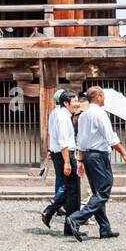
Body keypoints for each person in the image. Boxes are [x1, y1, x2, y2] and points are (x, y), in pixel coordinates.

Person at [66, 86, 126, 241]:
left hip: (88, 155)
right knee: (104, 189)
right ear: (98, 97)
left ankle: (104, 228)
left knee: (97, 192)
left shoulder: (84, 115)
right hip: (98, 156)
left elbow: (81, 141)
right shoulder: (100, 114)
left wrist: (81, 159)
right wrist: (124, 153)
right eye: (103, 96)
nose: (104, 99)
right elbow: (111, 138)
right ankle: (76, 218)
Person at [41, 89, 81, 235]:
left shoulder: (54, 113)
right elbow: (64, 140)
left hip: (57, 152)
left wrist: (51, 150)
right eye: (75, 100)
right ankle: (54, 213)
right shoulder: (64, 117)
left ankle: (63, 221)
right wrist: (67, 162)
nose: (78, 103)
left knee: (69, 188)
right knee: (74, 191)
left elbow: (52, 133)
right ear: (66, 102)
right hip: (65, 154)